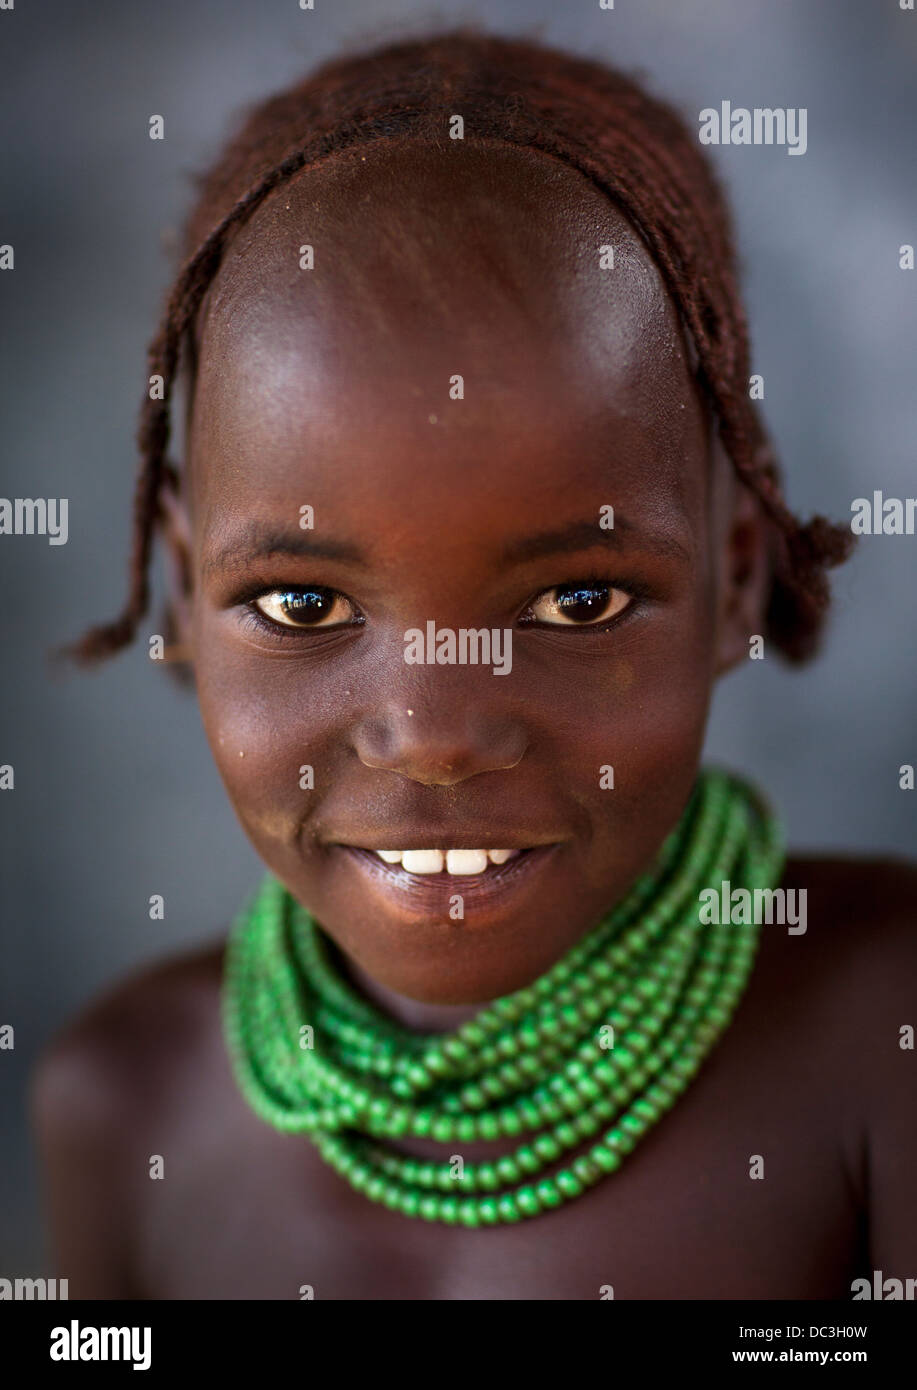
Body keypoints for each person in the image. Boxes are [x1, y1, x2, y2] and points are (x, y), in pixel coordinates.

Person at [30, 29, 917, 1300]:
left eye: (577, 597)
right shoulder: (118, 1110)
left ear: (738, 579)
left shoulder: (878, 1043)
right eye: (298, 600)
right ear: (179, 592)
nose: (434, 732)